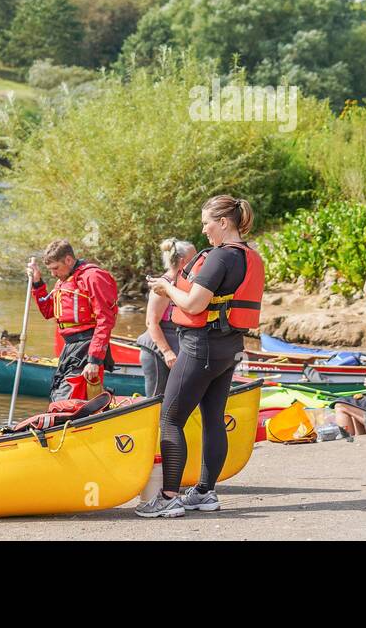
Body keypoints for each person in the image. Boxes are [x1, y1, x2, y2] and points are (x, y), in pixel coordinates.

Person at [137, 195, 265, 518]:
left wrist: (166, 290)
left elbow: (194, 304)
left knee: (170, 418)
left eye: (207, 222)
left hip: (201, 348)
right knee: (213, 418)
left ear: (223, 223)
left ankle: (168, 498)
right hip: (229, 348)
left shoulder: (220, 258)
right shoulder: (248, 255)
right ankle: (205, 493)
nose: (204, 229)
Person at [27, 239, 119, 401]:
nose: (53, 274)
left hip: (87, 345)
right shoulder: (63, 282)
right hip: (69, 347)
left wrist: (94, 360)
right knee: (57, 394)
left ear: (69, 260)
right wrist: (37, 283)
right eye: (50, 270)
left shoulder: (93, 276)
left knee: (68, 399)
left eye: (56, 268)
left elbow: (105, 319)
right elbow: (48, 311)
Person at [136, 238, 196, 397]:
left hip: (177, 344)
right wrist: (167, 352)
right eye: (195, 259)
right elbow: (151, 322)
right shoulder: (162, 284)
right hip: (157, 351)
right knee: (157, 397)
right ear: (183, 261)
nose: (199, 264)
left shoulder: (183, 283)